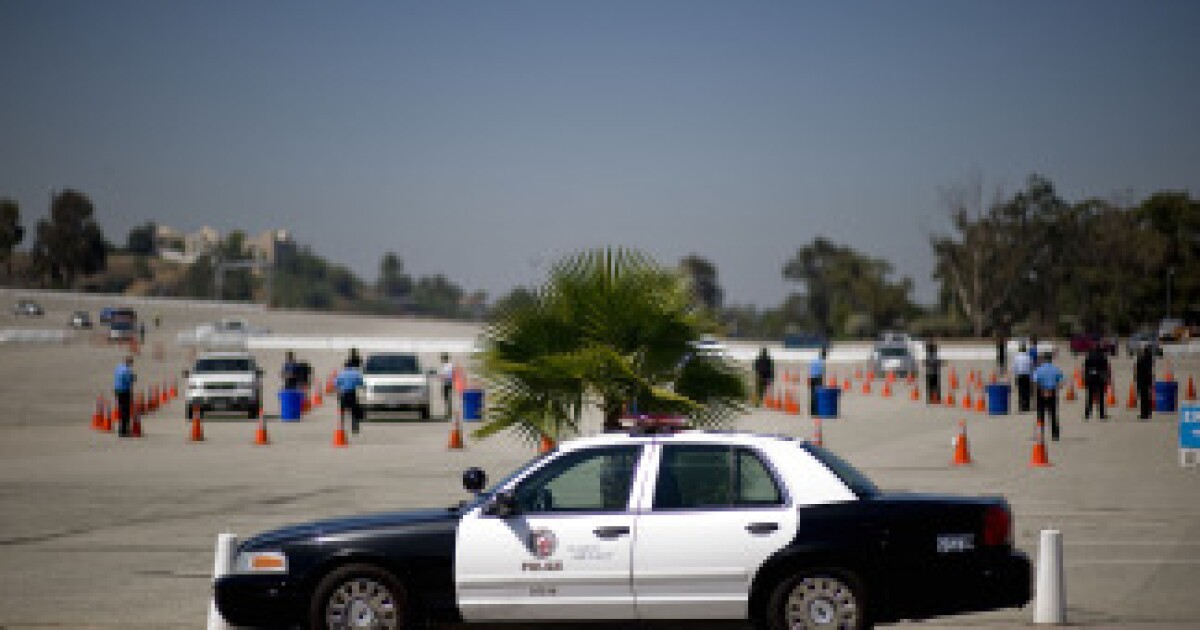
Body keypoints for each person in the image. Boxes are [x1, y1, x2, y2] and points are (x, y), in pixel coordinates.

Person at [1033, 351, 1065, 441]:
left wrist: (1038, 392)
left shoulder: (1038, 369)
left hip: (1041, 391)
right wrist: (1056, 388)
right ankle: (1055, 435)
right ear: (1051, 359)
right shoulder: (1056, 369)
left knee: (1040, 414)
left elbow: (1035, 382)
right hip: (1052, 392)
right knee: (1053, 414)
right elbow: (1061, 382)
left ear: (1044, 359)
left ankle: (1040, 434)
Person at [335, 357, 365, 433]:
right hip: (352, 394)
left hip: (344, 394)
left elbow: (336, 383)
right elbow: (361, 383)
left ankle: (341, 427)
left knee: (342, 412)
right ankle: (355, 428)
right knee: (354, 411)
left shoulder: (341, 373)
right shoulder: (356, 373)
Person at [1083, 346, 1111, 420]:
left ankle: (1087, 414)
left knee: (1090, 397)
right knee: (1101, 397)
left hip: (1090, 378)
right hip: (1100, 378)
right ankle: (1101, 414)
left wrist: (1085, 379)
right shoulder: (1103, 357)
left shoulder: (1088, 357)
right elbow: (1106, 369)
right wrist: (1108, 379)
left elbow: (1085, 369)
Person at [113, 355, 136, 437]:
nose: (131, 365)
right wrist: (132, 377)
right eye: (131, 363)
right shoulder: (126, 370)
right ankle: (123, 430)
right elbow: (128, 380)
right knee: (125, 411)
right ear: (129, 362)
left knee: (121, 409)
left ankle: (122, 429)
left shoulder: (118, 367)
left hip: (117, 390)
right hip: (124, 391)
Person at [1135, 345, 1155, 420]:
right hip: (1148, 379)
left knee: (1143, 398)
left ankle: (1144, 414)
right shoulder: (1150, 359)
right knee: (1148, 396)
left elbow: (1137, 370)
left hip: (1142, 379)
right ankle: (1148, 412)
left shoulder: (1141, 359)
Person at [1012, 343, 1034, 413]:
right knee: (1027, 391)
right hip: (1027, 375)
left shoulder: (1016, 357)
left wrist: (1015, 376)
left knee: (1020, 391)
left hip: (1020, 375)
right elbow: (1032, 367)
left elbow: (1014, 367)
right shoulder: (1029, 357)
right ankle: (1026, 406)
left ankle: (1021, 406)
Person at [808, 348, 826, 416]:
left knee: (812, 394)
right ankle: (816, 411)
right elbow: (821, 373)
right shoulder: (822, 362)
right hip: (818, 378)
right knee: (817, 395)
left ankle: (812, 410)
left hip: (811, 377)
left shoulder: (813, 360)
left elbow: (810, 370)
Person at [440, 353, 455, 419]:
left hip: (447, 383)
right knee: (447, 399)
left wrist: (442, 377)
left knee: (447, 399)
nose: (442, 360)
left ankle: (449, 413)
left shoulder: (447, 366)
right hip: (448, 383)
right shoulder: (448, 366)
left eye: (442, 358)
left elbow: (448, 375)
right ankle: (448, 412)